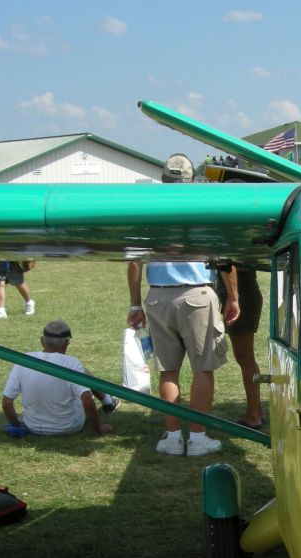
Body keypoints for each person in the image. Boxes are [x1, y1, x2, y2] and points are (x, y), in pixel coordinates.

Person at [126, 154, 239, 456]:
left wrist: (135, 304)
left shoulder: (147, 211)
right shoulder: (203, 208)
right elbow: (224, 260)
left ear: (163, 178)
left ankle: (173, 437)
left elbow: (134, 262)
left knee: (168, 371)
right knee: (203, 369)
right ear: (191, 180)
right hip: (197, 296)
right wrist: (234, 297)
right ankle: (198, 438)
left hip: (158, 297)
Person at [1, 320, 115, 437]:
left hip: (32, 427)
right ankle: (108, 402)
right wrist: (98, 428)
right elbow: (87, 402)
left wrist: (18, 426)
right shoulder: (72, 363)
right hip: (69, 427)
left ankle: (108, 402)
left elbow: (6, 403)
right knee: (84, 372)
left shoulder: (24, 360)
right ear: (66, 343)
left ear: (42, 341)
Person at [217, 264, 264, 429]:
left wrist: (223, 262)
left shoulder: (235, 252)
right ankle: (256, 410)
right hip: (240, 294)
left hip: (241, 296)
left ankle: (253, 415)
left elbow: (236, 264)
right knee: (245, 358)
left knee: (245, 358)